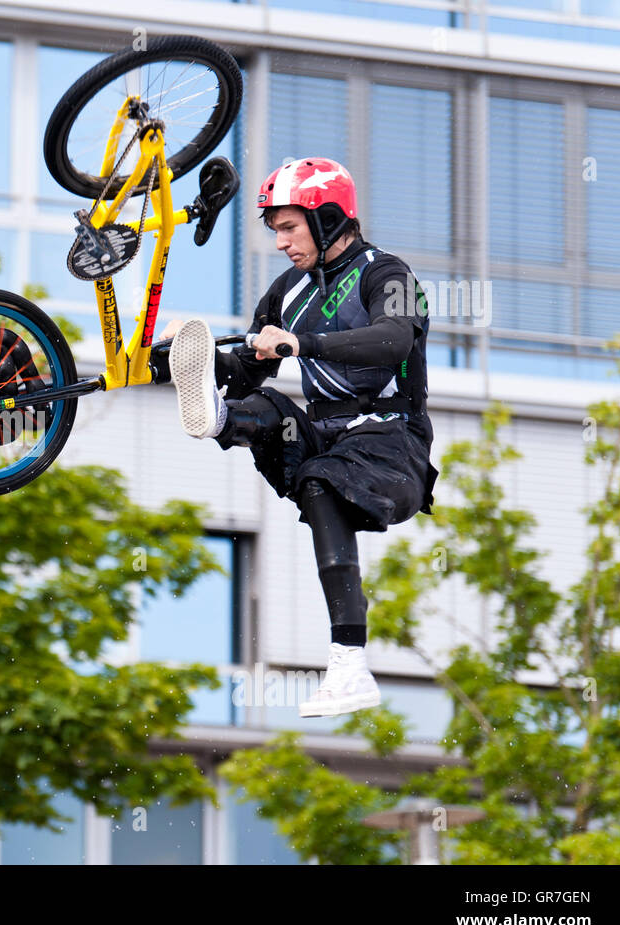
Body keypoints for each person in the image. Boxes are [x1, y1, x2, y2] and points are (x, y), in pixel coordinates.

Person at [149, 157, 439, 717]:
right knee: (268, 409)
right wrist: (191, 358)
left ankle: (349, 665)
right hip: (323, 435)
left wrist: (301, 345)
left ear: (328, 218)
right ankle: (218, 421)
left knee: (321, 480)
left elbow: (393, 340)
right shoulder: (287, 290)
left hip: (393, 441)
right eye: (274, 230)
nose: (280, 242)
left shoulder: (390, 275)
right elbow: (248, 371)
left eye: (288, 227)